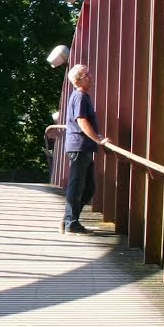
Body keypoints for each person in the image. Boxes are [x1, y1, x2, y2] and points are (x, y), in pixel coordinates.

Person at [61, 63, 113, 234]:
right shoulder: (80, 96)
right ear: (77, 80)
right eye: (86, 75)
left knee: (89, 187)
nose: (90, 76)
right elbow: (81, 121)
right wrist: (98, 139)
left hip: (84, 148)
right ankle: (71, 222)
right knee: (77, 186)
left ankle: (69, 219)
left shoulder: (82, 96)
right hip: (80, 146)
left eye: (89, 73)